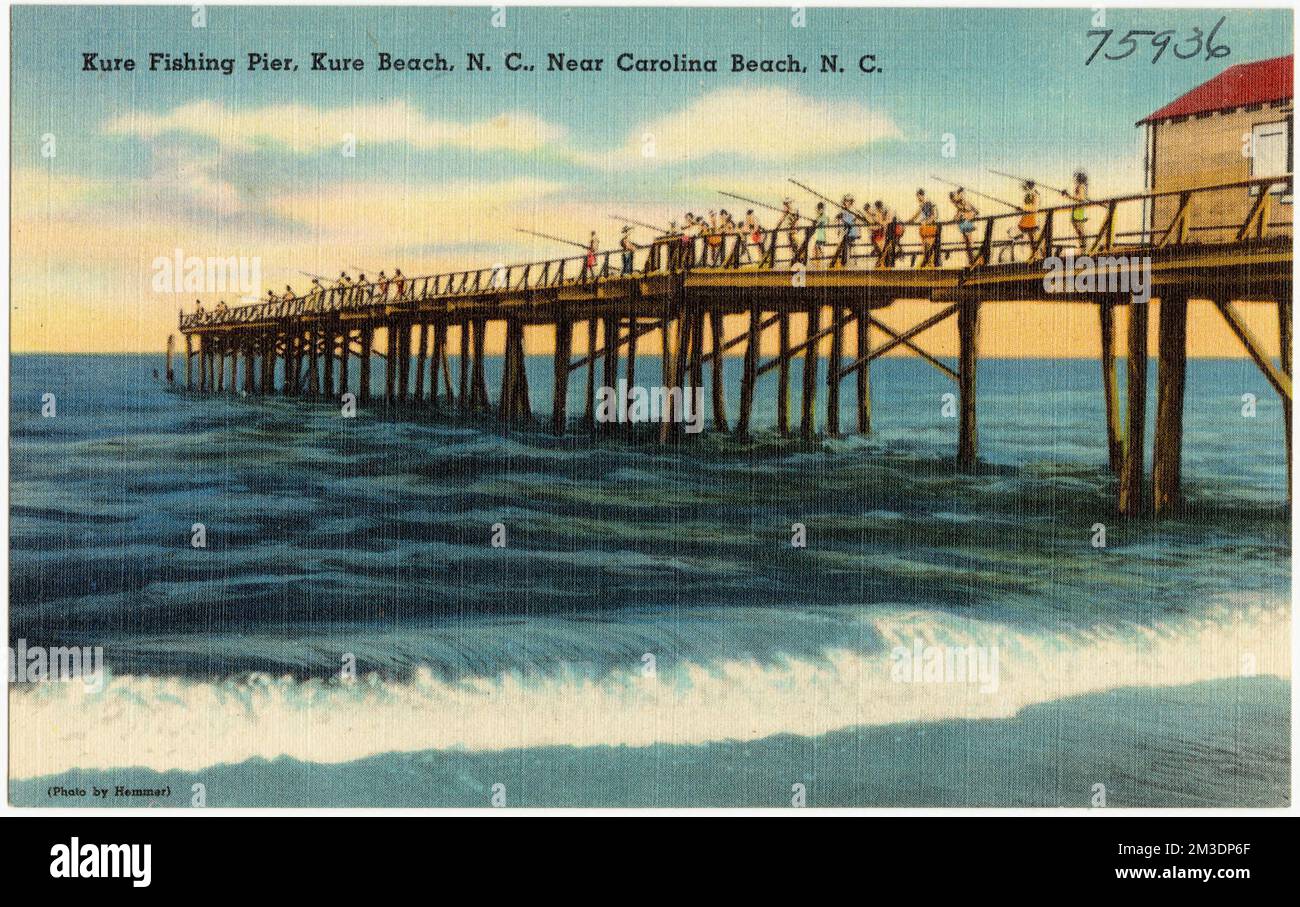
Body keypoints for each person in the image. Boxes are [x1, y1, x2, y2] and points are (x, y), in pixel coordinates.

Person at [950, 189, 980, 263]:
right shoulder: (958, 203)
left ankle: (973, 259)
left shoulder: (964, 202)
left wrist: (966, 215)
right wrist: (958, 216)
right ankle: (971, 260)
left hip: (966, 221)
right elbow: (959, 213)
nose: (954, 202)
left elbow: (974, 212)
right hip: (964, 222)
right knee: (967, 242)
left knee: (969, 241)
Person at [910, 189, 939, 260]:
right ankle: (926, 260)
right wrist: (911, 220)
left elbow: (934, 215)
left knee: (929, 244)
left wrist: (928, 221)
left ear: (921, 195)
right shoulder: (923, 203)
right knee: (925, 244)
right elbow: (917, 214)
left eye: (918, 197)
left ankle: (928, 261)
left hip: (930, 226)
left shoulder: (928, 202)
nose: (917, 199)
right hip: (925, 225)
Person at [1064, 171, 1089, 250]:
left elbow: (1080, 198)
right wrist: (1068, 195)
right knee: (1078, 227)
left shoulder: (1081, 186)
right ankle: (1083, 246)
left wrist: (1068, 195)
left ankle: (1084, 247)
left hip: (1079, 208)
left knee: (1079, 228)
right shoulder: (1081, 186)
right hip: (1077, 208)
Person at [1018, 181, 1040, 259]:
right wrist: (1022, 209)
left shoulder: (1035, 194)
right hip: (1027, 217)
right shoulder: (1028, 194)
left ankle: (1035, 255)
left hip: (1032, 217)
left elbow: (1034, 207)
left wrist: (1023, 209)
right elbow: (1027, 205)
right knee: (1031, 238)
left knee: (1033, 237)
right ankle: (1034, 255)